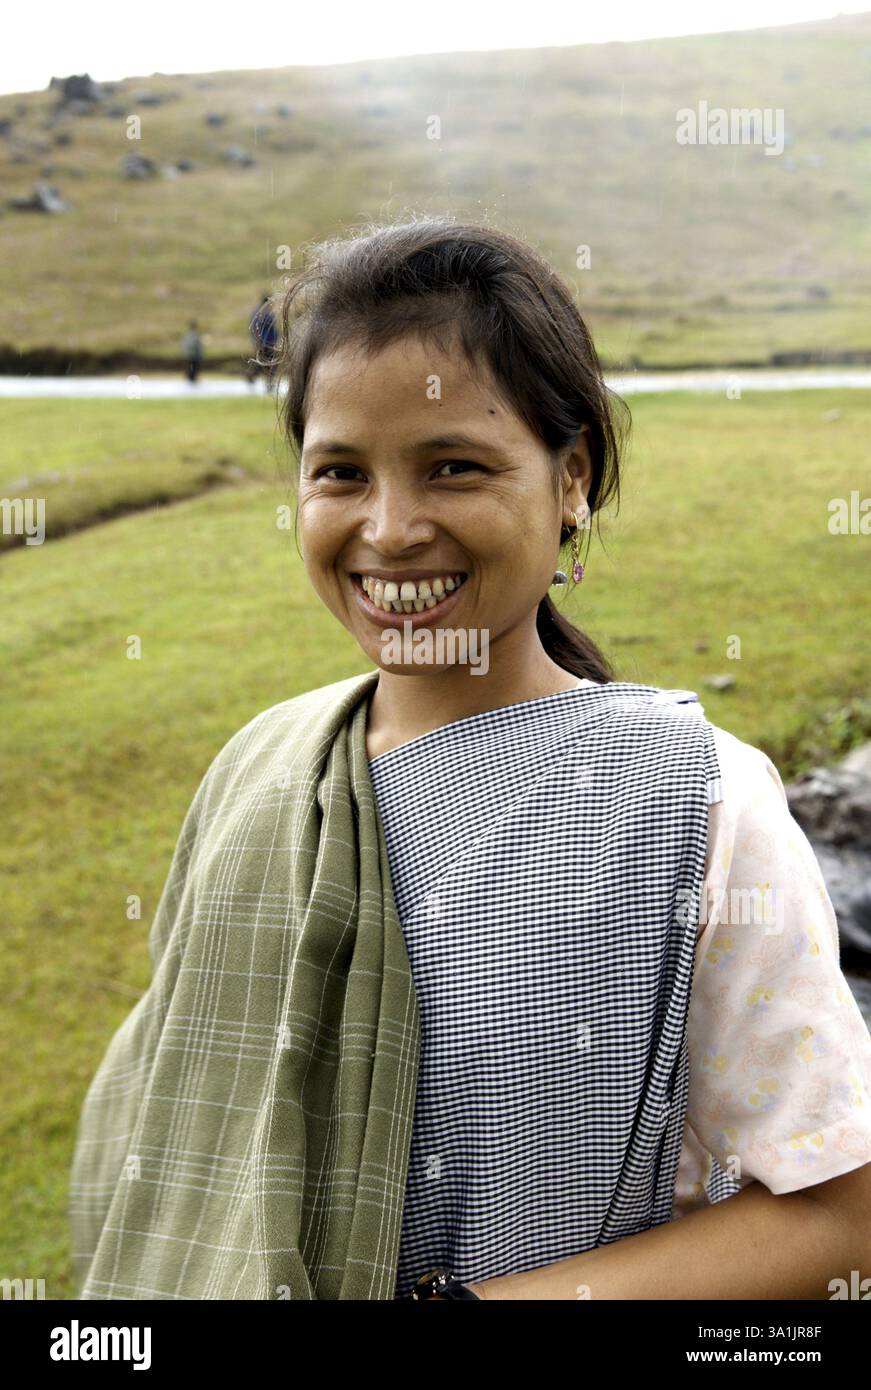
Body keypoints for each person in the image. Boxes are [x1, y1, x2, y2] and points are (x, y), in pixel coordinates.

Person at [70, 218, 871, 1301]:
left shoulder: (696, 799)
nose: (389, 529)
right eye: (340, 472)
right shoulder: (259, 774)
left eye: (453, 466)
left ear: (570, 476)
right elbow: (165, 1148)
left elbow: (834, 1216)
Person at [246, 292, 278, 387]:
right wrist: (260, 342)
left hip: (264, 342)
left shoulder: (260, 312)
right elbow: (258, 329)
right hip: (265, 343)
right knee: (269, 363)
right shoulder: (263, 313)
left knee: (263, 363)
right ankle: (268, 382)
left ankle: (253, 376)